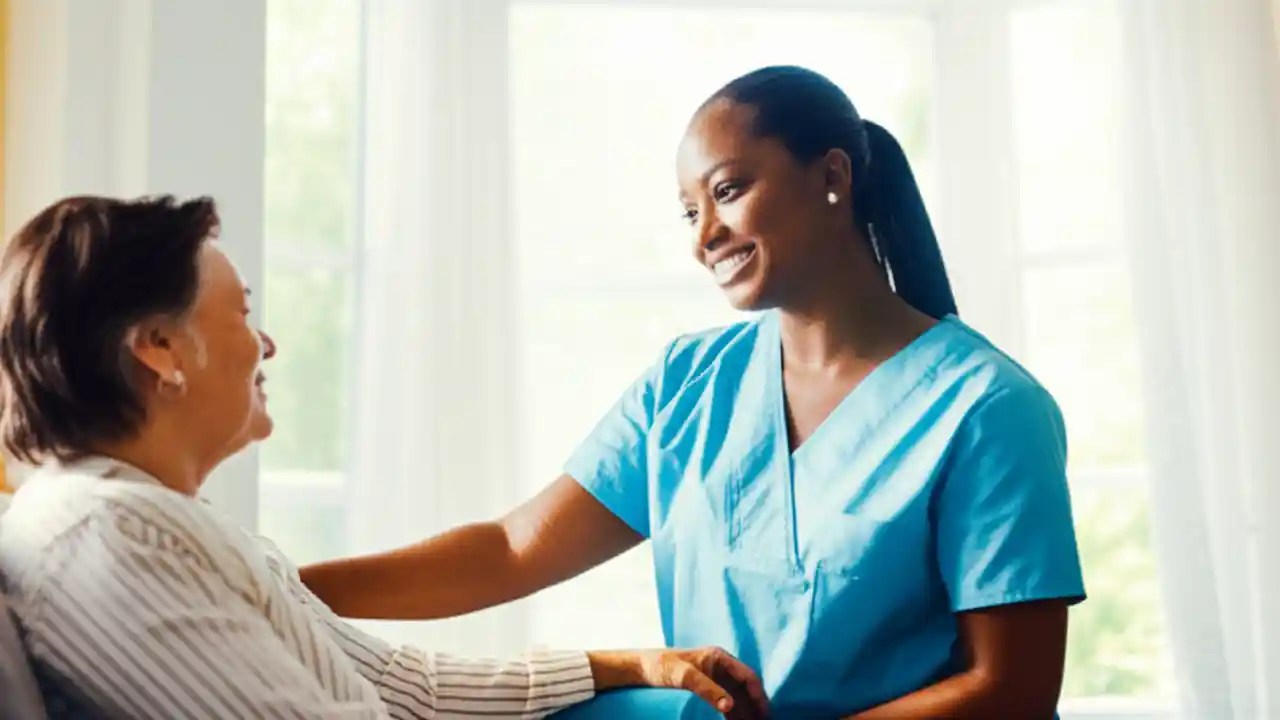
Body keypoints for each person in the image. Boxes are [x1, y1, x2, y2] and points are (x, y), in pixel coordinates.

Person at [302, 65, 1087, 718]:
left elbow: (1008, 689)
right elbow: (510, 551)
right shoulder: (689, 385)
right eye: (689, 210)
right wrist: (272, 587)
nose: (704, 234)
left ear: (833, 177)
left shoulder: (987, 408)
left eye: (729, 190)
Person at [0, 195, 768, 720]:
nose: (266, 344)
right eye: (242, 312)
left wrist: (624, 665)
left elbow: (409, 688)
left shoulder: (163, 522)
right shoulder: (107, 536)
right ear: (159, 348)